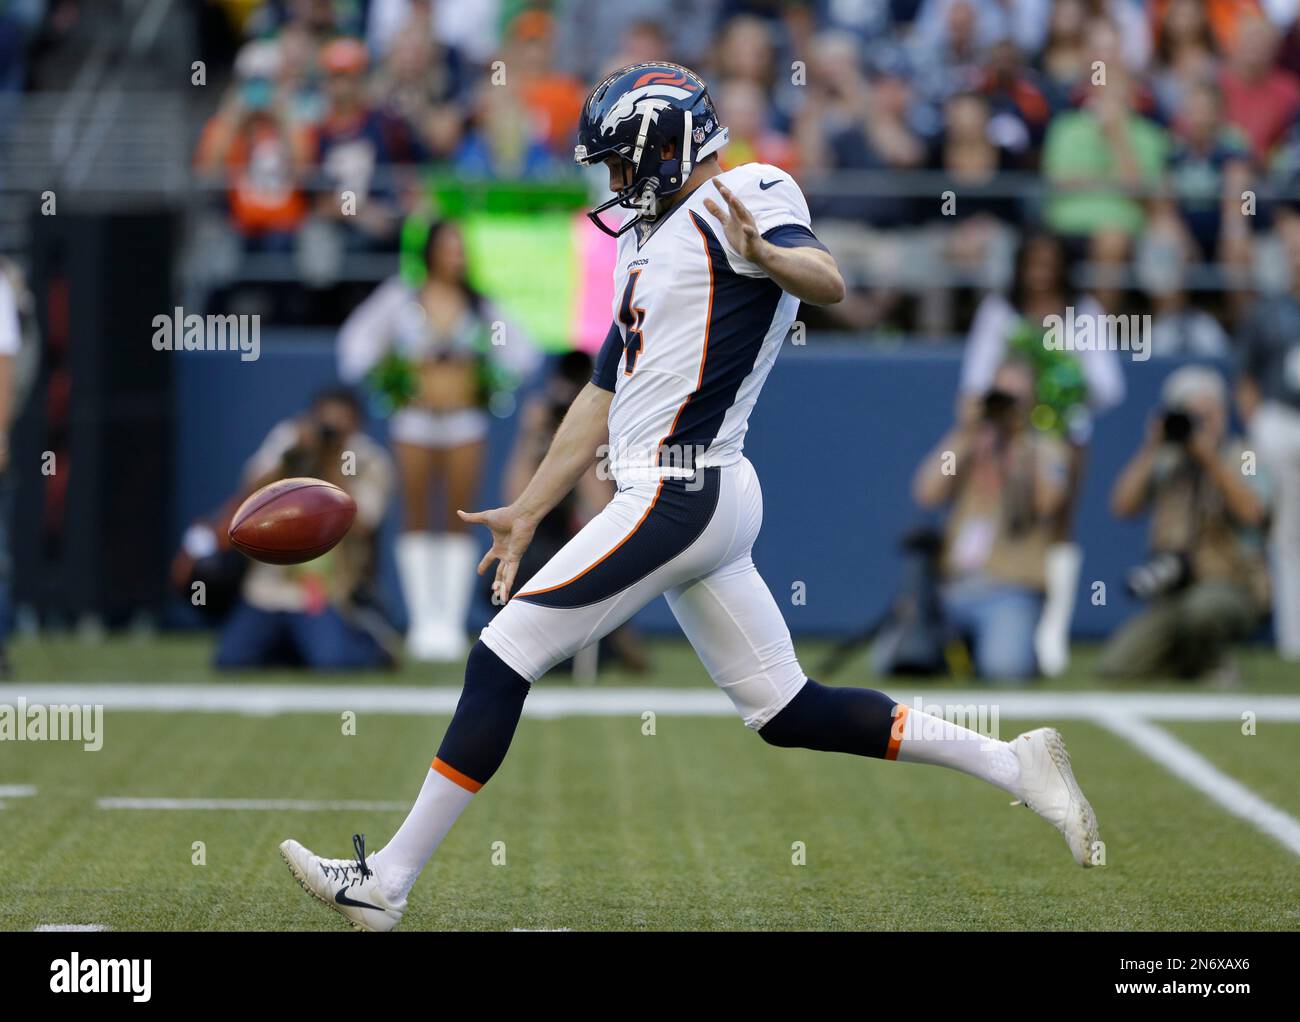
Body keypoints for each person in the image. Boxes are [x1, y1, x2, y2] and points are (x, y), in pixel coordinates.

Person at [281, 62, 1100, 932]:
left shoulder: (748, 190)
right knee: (786, 709)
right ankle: (1016, 766)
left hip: (684, 482)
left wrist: (770, 254)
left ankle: (387, 884)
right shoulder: (643, 239)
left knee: (502, 654)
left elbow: (828, 280)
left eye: (620, 162)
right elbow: (601, 394)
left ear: (665, 146)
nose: (614, 182)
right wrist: (529, 506)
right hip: (689, 491)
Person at [338, 219, 538, 661]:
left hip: (464, 422)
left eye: (461, 247)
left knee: (459, 516)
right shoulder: (401, 298)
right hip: (413, 420)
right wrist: (392, 380)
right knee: (415, 515)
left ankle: (447, 623)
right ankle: (422, 620)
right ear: (429, 251)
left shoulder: (480, 306)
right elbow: (355, 346)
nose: (457, 255)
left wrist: (486, 382)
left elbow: (524, 353)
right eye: (448, 246)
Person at [1101, 366, 1271, 679]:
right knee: (1117, 666)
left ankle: (1214, 661)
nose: (1202, 425)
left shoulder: (1243, 457)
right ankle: (1194, 663)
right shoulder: (1167, 463)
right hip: (1174, 590)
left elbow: (1253, 514)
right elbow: (1122, 506)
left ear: (1223, 413)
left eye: (1209, 414)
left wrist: (1210, 460)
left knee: (1202, 611)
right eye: (1193, 417)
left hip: (1231, 585)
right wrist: (1151, 447)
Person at [913, 358, 1073, 682]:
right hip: (954, 589)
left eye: (1014, 400)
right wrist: (964, 433)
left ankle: (1004, 648)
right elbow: (927, 493)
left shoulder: (1046, 448)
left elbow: (1047, 504)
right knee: (902, 659)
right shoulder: (971, 445)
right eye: (999, 397)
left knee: (1004, 670)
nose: (1004, 408)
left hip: (1010, 589)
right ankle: (966, 651)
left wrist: (1018, 448)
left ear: (1030, 403)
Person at [214, 389, 395, 671]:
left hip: (327, 592)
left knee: (331, 662)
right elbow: (248, 496)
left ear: (356, 426)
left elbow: (361, 523)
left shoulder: (369, 459)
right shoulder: (287, 441)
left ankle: (370, 643)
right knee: (231, 660)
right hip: (269, 588)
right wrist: (292, 457)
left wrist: (334, 461)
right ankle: (295, 647)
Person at [1237, 203, 1300, 661]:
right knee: (1287, 533)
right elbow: (1247, 381)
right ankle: (1292, 637)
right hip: (1280, 422)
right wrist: (1258, 428)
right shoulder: (1268, 311)